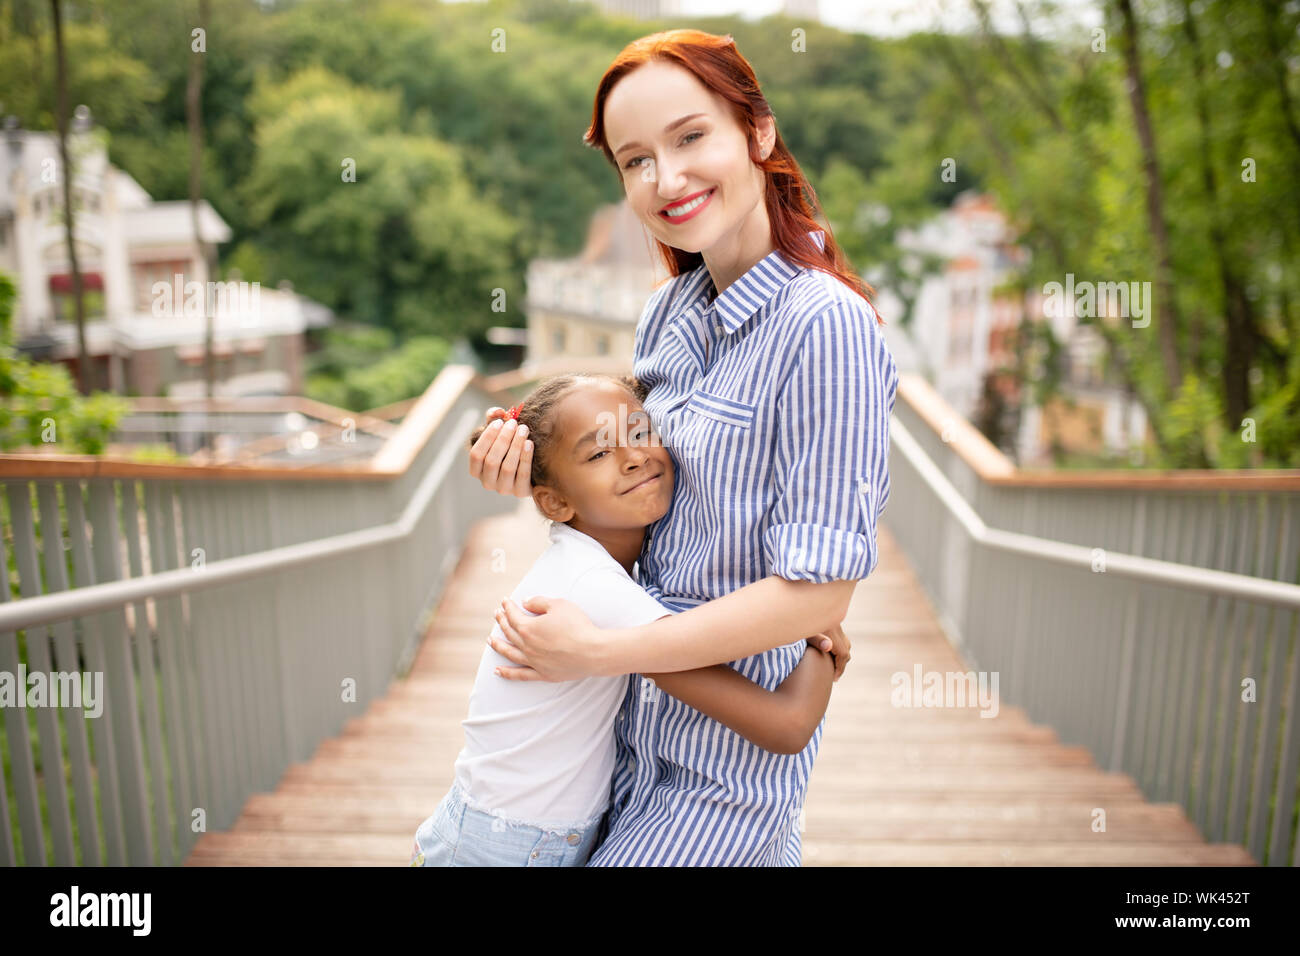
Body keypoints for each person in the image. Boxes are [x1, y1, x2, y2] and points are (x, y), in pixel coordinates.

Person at [469, 29, 899, 866]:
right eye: (636, 161)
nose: (666, 179)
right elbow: (634, 499)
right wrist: (524, 466)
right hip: (619, 757)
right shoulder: (667, 315)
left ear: (759, 132)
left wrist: (604, 650)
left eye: (691, 137)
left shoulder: (827, 327)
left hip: (721, 785)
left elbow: (817, 594)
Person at [413, 373, 834, 866]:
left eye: (639, 432)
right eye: (597, 454)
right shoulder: (596, 589)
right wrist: (817, 641)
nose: (633, 456)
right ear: (554, 502)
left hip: (504, 833)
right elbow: (786, 726)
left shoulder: (594, 570)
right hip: (501, 849)